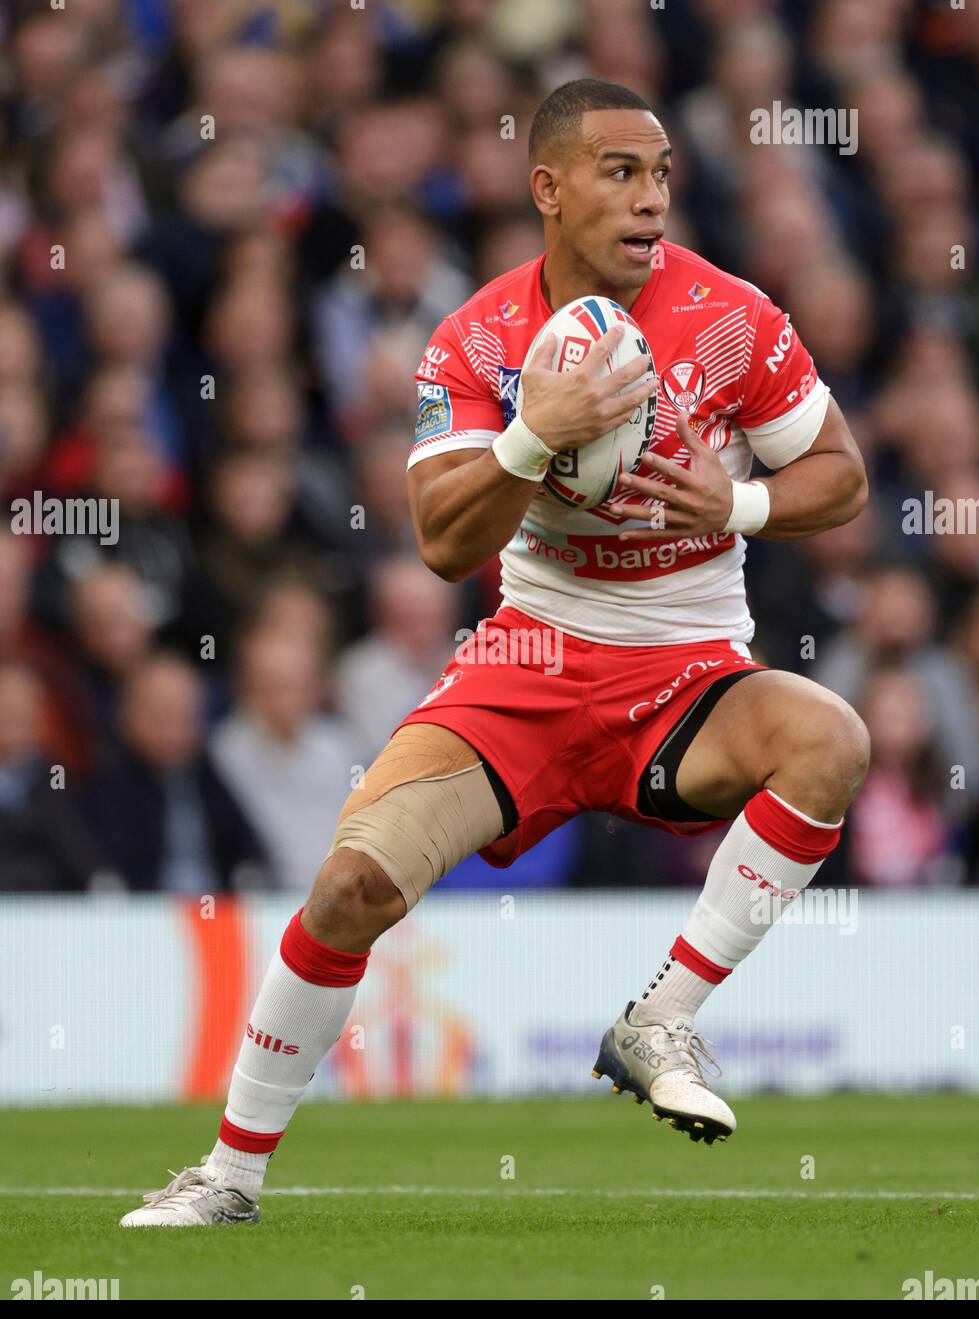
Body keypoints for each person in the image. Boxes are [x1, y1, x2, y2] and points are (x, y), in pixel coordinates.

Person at [122, 80, 869, 1227]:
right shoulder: (471, 339)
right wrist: (536, 434)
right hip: (525, 660)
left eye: (661, 172)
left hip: (687, 669)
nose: (650, 197)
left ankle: (656, 1017)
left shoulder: (733, 318)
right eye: (619, 171)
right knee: (349, 884)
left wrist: (743, 504)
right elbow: (438, 540)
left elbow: (843, 476)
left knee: (829, 739)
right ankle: (228, 1176)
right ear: (547, 187)